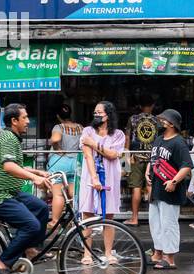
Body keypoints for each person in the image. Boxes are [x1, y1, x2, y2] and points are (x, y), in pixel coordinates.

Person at [0, 103, 53, 274]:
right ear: (14, 121)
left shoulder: (12, 138)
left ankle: (29, 249)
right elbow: (8, 166)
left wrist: (37, 172)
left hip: (11, 192)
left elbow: (17, 166)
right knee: (31, 225)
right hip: (0, 196)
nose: (28, 121)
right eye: (25, 118)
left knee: (42, 208)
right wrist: (34, 179)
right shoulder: (7, 138)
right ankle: (3, 261)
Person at [80, 100, 126, 265]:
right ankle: (87, 253)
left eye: (100, 112)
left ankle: (108, 252)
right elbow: (88, 156)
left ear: (108, 115)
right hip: (90, 177)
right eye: (95, 112)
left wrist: (94, 143)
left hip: (110, 177)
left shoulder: (119, 134)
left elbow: (113, 154)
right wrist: (94, 178)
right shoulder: (87, 131)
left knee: (109, 216)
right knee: (87, 215)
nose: (96, 115)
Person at [146, 109, 191, 270]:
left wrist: (174, 181)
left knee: (168, 223)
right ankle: (158, 253)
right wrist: (147, 171)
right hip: (156, 188)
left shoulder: (179, 142)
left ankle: (169, 258)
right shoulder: (158, 139)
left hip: (170, 189)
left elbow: (187, 165)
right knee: (155, 223)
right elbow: (153, 159)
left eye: (163, 120)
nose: (160, 122)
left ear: (171, 123)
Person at [46, 102, 83, 230]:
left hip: (60, 161)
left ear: (58, 116)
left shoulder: (58, 127)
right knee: (73, 193)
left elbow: (55, 139)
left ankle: (54, 221)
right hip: (75, 162)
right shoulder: (80, 127)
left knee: (58, 194)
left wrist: (56, 146)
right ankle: (74, 221)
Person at [124, 95, 159, 225]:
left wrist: (125, 164)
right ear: (152, 106)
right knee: (150, 187)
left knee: (136, 188)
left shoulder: (133, 119)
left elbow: (127, 139)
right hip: (153, 158)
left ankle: (134, 218)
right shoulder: (157, 120)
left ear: (140, 106)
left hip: (135, 158)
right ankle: (154, 219)